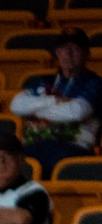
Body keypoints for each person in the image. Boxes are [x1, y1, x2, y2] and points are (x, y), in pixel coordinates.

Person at [10, 28, 101, 173]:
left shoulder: (94, 83)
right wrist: (52, 101)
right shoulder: (45, 82)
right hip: (34, 146)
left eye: (75, 48)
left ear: (87, 54)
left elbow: (76, 112)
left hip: (72, 149)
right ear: (57, 53)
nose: (69, 53)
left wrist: (35, 111)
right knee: (7, 159)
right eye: (64, 48)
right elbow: (16, 105)